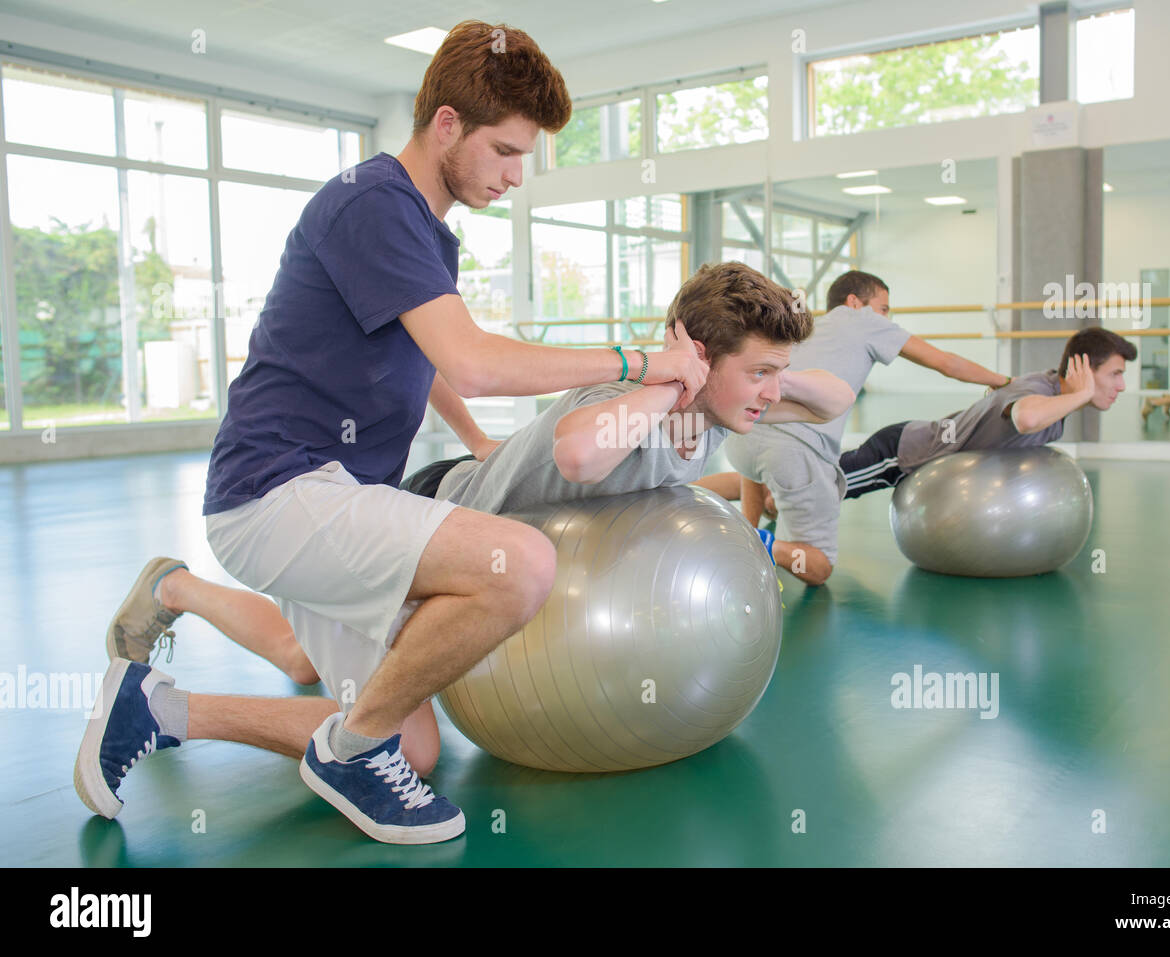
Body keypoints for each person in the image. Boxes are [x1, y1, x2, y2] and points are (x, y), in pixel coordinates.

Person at [76, 20, 715, 846]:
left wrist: (479, 440)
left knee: (408, 739)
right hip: (280, 488)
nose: (516, 176)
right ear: (447, 125)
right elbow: (474, 357)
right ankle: (345, 752)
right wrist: (638, 362)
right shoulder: (374, 201)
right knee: (519, 565)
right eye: (507, 152)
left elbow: (436, 363)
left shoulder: (420, 225)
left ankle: (159, 707)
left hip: (328, 494)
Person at [80, 260, 853, 844]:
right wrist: (664, 384)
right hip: (421, 516)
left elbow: (837, 397)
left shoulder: (732, 395)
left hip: (455, 536)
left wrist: (772, 375)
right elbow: (584, 456)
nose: (770, 391)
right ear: (699, 362)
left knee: (298, 654)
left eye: (775, 373)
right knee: (404, 743)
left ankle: (173, 587)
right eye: (758, 372)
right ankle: (157, 705)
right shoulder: (624, 407)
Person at [693, 269, 1007, 586]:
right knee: (817, 566)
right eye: (883, 308)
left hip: (745, 435)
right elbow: (947, 364)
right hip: (794, 451)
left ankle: (693, 504)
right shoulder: (866, 322)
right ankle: (751, 540)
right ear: (854, 302)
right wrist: (1003, 381)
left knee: (761, 473)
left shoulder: (809, 327)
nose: (886, 317)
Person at [838, 327, 1135, 497]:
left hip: (926, 462)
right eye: (1115, 374)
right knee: (820, 488)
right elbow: (1027, 418)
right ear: (1081, 367)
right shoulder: (1038, 390)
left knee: (816, 486)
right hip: (899, 454)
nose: (1121, 386)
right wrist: (1083, 393)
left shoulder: (1053, 398)